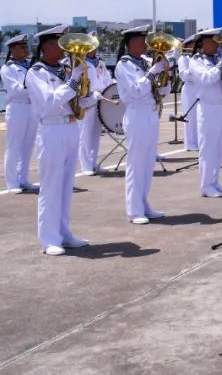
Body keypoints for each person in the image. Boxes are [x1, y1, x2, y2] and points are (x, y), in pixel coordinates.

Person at [25, 25, 89, 255]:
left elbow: (77, 102)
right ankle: (49, 239)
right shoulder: (36, 73)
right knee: (51, 186)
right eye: (60, 44)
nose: (65, 49)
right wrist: (73, 82)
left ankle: (64, 232)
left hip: (71, 128)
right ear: (47, 46)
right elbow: (50, 101)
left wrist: (86, 95)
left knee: (65, 186)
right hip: (51, 131)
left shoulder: (65, 70)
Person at [115, 25, 170, 224]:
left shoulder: (147, 62)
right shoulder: (124, 65)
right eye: (141, 41)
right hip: (136, 113)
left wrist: (165, 76)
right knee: (136, 163)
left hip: (151, 113)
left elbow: (163, 91)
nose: (146, 45)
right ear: (131, 44)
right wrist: (153, 72)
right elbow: (136, 90)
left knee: (148, 163)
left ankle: (144, 203)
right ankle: (134, 209)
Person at [187, 28, 222, 197]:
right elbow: (206, 79)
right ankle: (206, 185)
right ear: (202, 43)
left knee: (219, 147)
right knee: (208, 148)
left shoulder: (215, 59)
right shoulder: (196, 61)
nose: (216, 44)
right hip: (207, 107)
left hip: (221, 106)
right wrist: (221, 64)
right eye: (213, 41)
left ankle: (214, 181)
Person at [3, 33, 39, 193]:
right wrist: (34, 87)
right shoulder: (8, 68)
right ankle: (11, 182)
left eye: (26, 46)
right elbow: (16, 90)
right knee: (14, 145)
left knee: (28, 145)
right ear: (12, 49)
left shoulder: (32, 66)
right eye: (22, 47)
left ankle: (23, 177)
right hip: (17, 107)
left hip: (32, 107)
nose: (26, 49)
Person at [77, 35, 113, 174]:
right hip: (87, 100)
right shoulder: (81, 63)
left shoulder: (100, 63)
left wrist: (110, 90)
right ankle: (86, 165)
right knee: (85, 134)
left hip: (101, 99)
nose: (94, 47)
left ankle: (93, 162)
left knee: (96, 133)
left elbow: (108, 80)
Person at [176, 33, 200, 153]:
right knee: (190, 117)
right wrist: (196, 72)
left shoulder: (197, 58)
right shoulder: (183, 58)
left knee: (198, 116)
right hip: (189, 88)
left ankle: (198, 141)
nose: (195, 46)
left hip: (198, 88)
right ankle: (190, 143)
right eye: (193, 44)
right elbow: (183, 75)